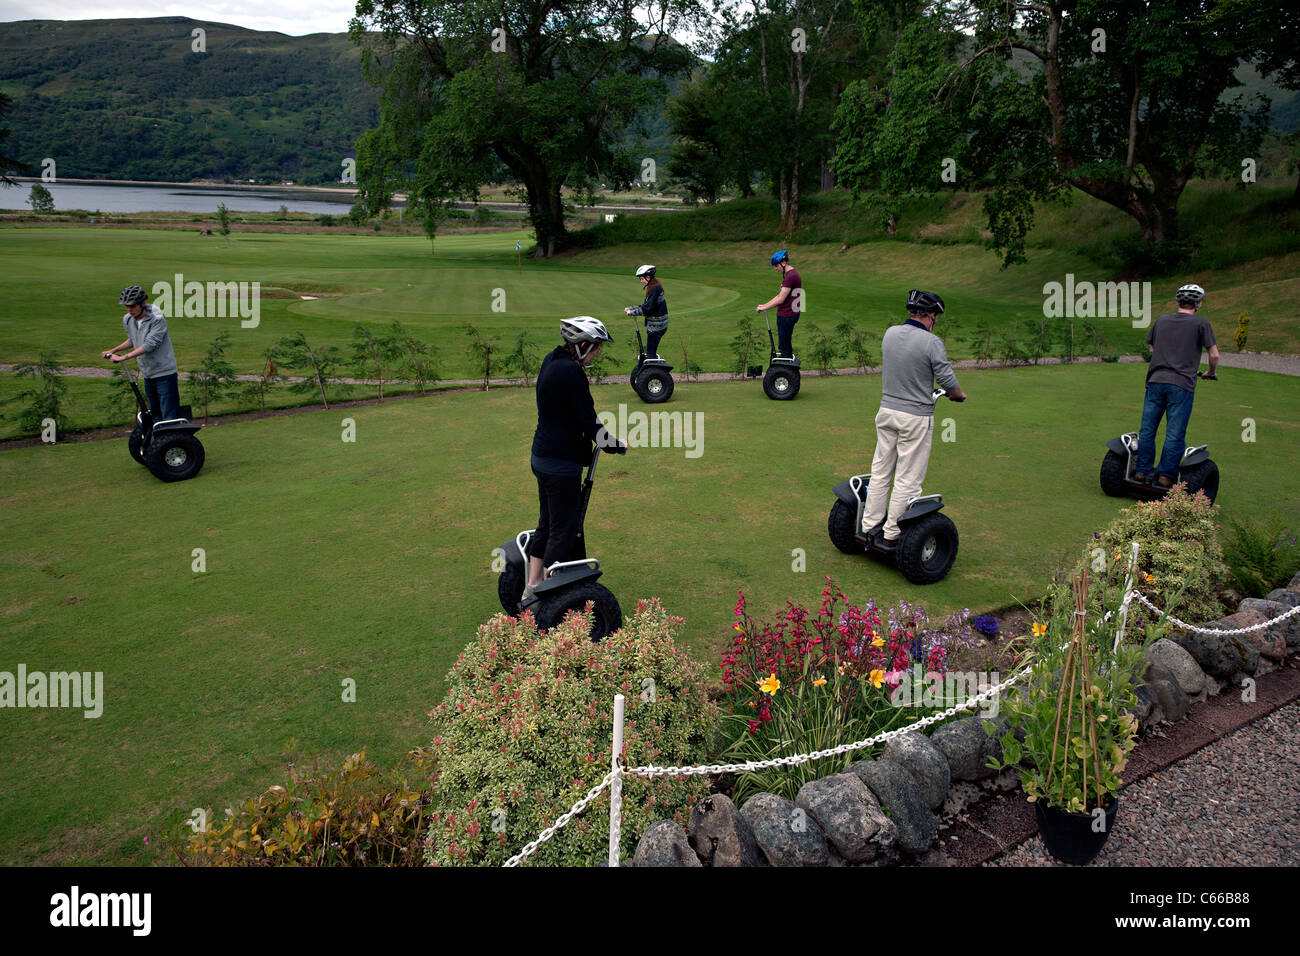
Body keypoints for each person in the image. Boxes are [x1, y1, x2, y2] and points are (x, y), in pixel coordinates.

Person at [523, 316, 625, 608]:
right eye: (596, 349)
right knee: (564, 531)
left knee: (548, 524)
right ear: (582, 345)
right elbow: (588, 421)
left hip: (541, 456)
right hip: (560, 464)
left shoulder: (551, 360)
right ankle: (548, 602)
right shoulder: (571, 373)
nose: (597, 354)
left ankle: (532, 587)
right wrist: (615, 445)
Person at [860, 290, 967, 551]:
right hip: (915, 417)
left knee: (881, 471)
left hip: (886, 412)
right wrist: (957, 395)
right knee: (908, 479)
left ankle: (867, 526)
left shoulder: (890, 334)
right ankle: (892, 535)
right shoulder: (931, 342)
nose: (935, 322)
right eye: (935, 317)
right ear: (929, 315)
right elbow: (946, 378)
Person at [1134, 284, 1219, 487]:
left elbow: (1153, 348)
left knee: (1147, 431)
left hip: (1155, 381)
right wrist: (1211, 372)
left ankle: (1141, 473)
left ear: (1177, 302)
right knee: (1174, 433)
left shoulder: (1161, 321)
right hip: (1181, 385)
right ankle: (1165, 477)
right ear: (1198, 304)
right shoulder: (1201, 324)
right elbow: (1214, 354)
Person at [101, 285, 181, 421]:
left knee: (169, 417)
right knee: (155, 416)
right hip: (148, 374)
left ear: (143, 304)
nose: (129, 309)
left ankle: (174, 441)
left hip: (164, 374)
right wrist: (113, 351)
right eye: (127, 306)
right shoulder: (128, 319)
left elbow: (149, 345)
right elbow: (133, 340)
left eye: (132, 306)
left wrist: (124, 357)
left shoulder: (157, 320)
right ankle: (157, 442)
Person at [756, 249, 801, 358]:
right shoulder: (792, 274)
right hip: (791, 313)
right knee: (785, 343)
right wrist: (764, 305)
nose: (776, 269)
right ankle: (786, 361)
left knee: (784, 345)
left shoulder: (790, 277)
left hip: (787, 315)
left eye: (777, 266)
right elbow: (780, 296)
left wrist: (765, 307)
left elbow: (780, 299)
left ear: (784, 263)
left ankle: (785, 368)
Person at [624, 264, 669, 363]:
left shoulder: (654, 289)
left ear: (648, 277)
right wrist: (632, 308)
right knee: (650, 351)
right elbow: (647, 305)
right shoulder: (654, 287)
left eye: (641, 279)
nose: (641, 281)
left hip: (656, 326)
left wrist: (632, 312)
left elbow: (647, 309)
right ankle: (652, 369)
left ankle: (652, 372)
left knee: (650, 353)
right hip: (658, 325)